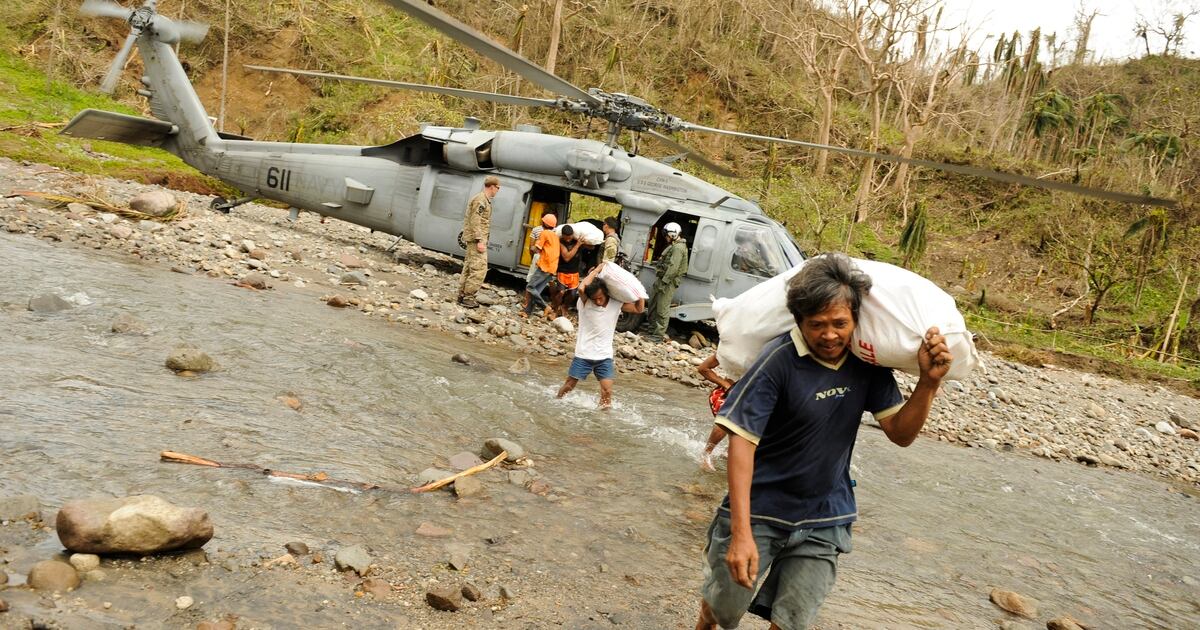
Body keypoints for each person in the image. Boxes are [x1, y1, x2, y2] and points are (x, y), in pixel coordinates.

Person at [695, 253, 952, 630]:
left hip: (826, 515)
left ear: (855, 319)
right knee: (723, 609)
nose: (829, 335)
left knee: (793, 620)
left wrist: (928, 384)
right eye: (817, 325)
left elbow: (900, 434)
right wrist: (741, 533)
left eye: (839, 323)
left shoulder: (866, 365)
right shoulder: (777, 362)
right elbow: (742, 444)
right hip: (761, 510)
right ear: (799, 320)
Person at [556, 262, 645, 410]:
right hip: (584, 354)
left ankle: (602, 417)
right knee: (569, 386)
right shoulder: (585, 302)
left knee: (607, 391)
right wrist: (597, 269)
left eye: (600, 298)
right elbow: (581, 288)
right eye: (595, 298)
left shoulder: (616, 304)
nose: (597, 301)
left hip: (604, 356)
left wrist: (639, 292)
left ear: (605, 293)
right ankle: (556, 402)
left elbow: (639, 309)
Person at [457, 175, 500, 308]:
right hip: (477, 240)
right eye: (498, 188)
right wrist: (480, 240)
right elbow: (475, 221)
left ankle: (462, 295)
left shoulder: (483, 200)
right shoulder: (481, 200)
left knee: (469, 267)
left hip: (475, 239)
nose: (498, 190)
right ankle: (468, 297)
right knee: (479, 269)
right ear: (492, 187)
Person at [647, 222, 688, 342]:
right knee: (653, 305)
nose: (666, 237)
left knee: (662, 309)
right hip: (662, 280)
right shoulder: (674, 246)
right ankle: (652, 330)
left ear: (672, 234)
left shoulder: (678, 248)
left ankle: (658, 336)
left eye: (667, 235)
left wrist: (664, 282)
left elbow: (673, 268)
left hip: (667, 283)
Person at [697, 353, 735, 471]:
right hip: (724, 394)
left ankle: (728, 451)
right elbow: (703, 368)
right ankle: (706, 454)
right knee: (729, 417)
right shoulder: (732, 348)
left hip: (749, 397)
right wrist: (726, 385)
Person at [523, 214, 560, 319]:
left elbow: (537, 249)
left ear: (545, 223)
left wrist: (532, 248)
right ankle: (527, 312)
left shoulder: (544, 233)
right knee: (536, 290)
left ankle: (545, 306)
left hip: (545, 266)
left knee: (530, 287)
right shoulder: (555, 236)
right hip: (552, 268)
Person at [554, 225, 584, 317]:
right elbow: (566, 257)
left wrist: (581, 242)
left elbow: (592, 247)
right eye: (566, 237)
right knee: (561, 292)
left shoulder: (576, 240)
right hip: (562, 271)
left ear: (572, 235)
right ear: (562, 235)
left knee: (573, 294)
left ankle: (564, 307)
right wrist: (577, 245)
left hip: (574, 272)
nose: (568, 240)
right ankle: (556, 309)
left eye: (570, 237)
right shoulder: (560, 242)